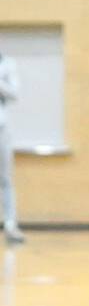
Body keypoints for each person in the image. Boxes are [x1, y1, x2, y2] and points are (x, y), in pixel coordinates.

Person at [0, 51, 25, 245]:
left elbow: (14, 93)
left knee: (6, 178)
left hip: (2, 128)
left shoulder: (8, 63)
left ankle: (10, 225)